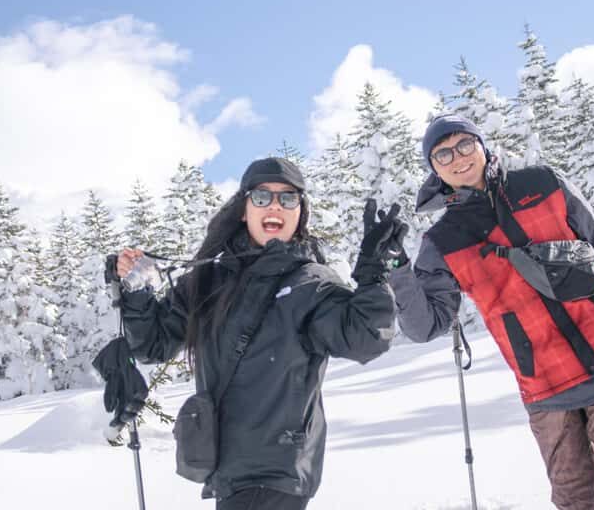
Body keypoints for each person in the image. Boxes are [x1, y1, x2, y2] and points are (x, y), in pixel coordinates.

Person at [389, 115, 594, 509]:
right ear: (433, 169)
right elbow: (425, 326)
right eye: (443, 154)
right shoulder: (443, 241)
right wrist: (397, 270)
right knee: (573, 497)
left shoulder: (543, 183)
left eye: (465, 144)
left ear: (482, 145)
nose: (458, 158)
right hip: (546, 384)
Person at [111, 157, 403, 510]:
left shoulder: (310, 284)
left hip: (277, 472)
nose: (275, 205)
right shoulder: (209, 281)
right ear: (243, 209)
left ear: (300, 213)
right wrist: (138, 290)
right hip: (229, 474)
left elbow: (366, 337)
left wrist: (373, 273)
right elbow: (153, 344)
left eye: (288, 198)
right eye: (262, 197)